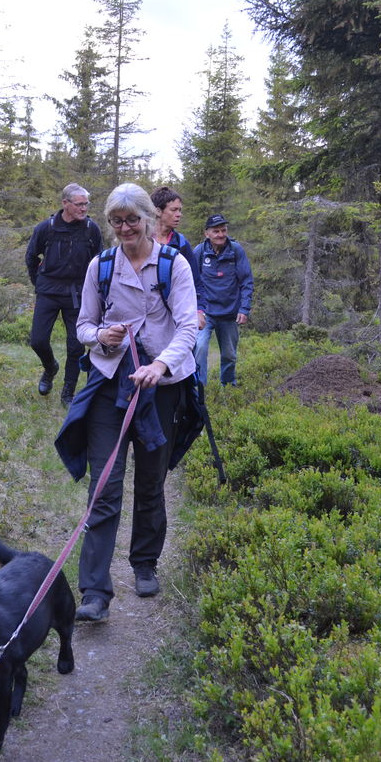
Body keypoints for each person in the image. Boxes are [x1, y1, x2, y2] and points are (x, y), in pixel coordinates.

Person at [54, 183, 202, 623]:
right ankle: (95, 593)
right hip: (108, 384)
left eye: (132, 220)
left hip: (161, 385)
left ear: (149, 220)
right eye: (116, 221)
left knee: (152, 481)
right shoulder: (100, 266)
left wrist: (160, 368)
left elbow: (188, 329)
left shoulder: (174, 265)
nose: (124, 229)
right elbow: (83, 325)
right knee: (104, 488)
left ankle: (144, 563)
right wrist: (101, 336)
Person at [25, 184, 104, 405]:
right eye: (79, 204)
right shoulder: (46, 228)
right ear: (65, 204)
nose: (84, 208)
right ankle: (50, 368)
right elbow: (31, 257)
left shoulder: (91, 229)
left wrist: (96, 293)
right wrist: (38, 283)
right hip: (48, 292)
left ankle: (68, 394)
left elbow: (99, 263)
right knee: (38, 341)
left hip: (78, 294)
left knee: (76, 346)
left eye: (86, 204)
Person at [193, 214, 254, 386]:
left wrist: (244, 309)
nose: (220, 234)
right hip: (205, 313)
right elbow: (190, 282)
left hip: (229, 313)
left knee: (229, 355)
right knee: (200, 347)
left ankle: (228, 386)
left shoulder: (236, 250)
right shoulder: (198, 252)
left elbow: (246, 281)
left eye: (223, 230)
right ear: (207, 233)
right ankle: (199, 389)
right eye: (216, 231)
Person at [149, 186, 206, 329]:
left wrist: (199, 311)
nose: (179, 214)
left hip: (178, 315)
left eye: (180, 210)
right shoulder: (143, 241)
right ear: (158, 211)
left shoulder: (181, 244)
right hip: (148, 315)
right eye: (174, 210)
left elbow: (195, 282)